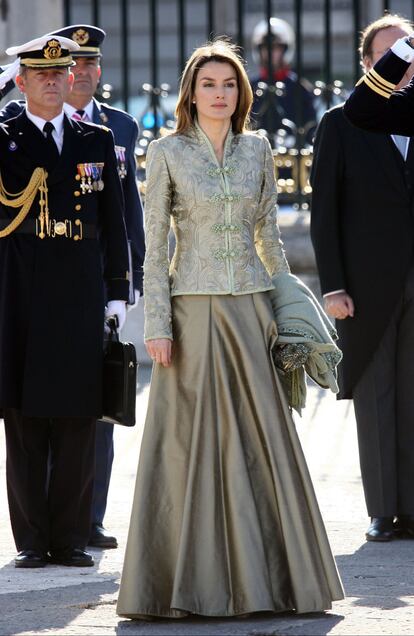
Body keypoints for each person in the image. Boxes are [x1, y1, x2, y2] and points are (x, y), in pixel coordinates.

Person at [116, 39, 343, 620]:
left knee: (261, 437)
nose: (220, 94)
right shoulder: (166, 151)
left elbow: (268, 237)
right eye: (209, 84)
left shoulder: (258, 149)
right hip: (189, 310)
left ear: (241, 92)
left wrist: (288, 305)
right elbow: (156, 245)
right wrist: (158, 324)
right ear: (190, 92)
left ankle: (274, 582)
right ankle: (185, 586)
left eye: (230, 84)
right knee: (186, 445)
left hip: (250, 309)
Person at [0, 24, 146, 550]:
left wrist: (117, 291)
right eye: (41, 73)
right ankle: (33, 539)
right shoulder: (5, 135)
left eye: (60, 72)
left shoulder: (96, 138)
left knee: (79, 417)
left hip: (81, 290)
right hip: (19, 293)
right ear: (21, 80)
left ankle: (69, 537)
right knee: (24, 419)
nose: (56, 82)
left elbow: (115, 222)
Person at [311, 14, 414, 542]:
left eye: (408, 52)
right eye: (389, 54)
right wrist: (333, 286)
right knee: (376, 397)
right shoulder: (341, 122)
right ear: (368, 64)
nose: (401, 63)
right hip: (367, 286)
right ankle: (382, 508)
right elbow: (324, 212)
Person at [250, 17, 316, 142]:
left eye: (275, 48)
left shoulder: (299, 87)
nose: (270, 53)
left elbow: (310, 128)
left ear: (284, 50)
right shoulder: (250, 86)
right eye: (265, 47)